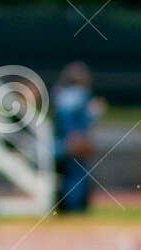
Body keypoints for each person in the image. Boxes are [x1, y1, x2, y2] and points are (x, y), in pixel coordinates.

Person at [51, 63, 101, 214]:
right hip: (71, 143)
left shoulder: (59, 93)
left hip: (63, 142)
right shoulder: (79, 95)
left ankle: (67, 206)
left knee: (66, 175)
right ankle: (73, 207)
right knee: (76, 175)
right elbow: (73, 121)